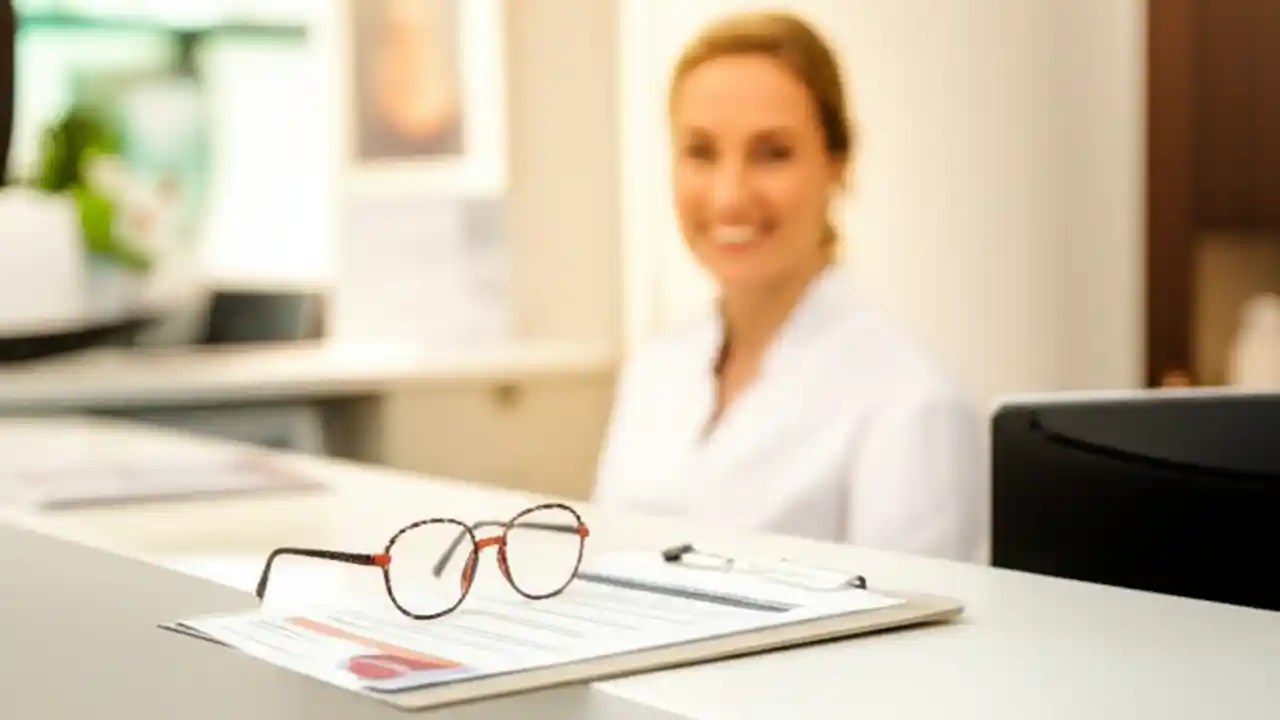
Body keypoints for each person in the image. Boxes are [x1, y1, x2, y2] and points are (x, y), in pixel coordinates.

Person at [593, 12, 986, 562]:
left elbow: (916, 635)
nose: (729, 196)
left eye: (772, 153)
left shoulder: (913, 401)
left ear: (837, 163)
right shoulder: (655, 372)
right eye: (701, 152)